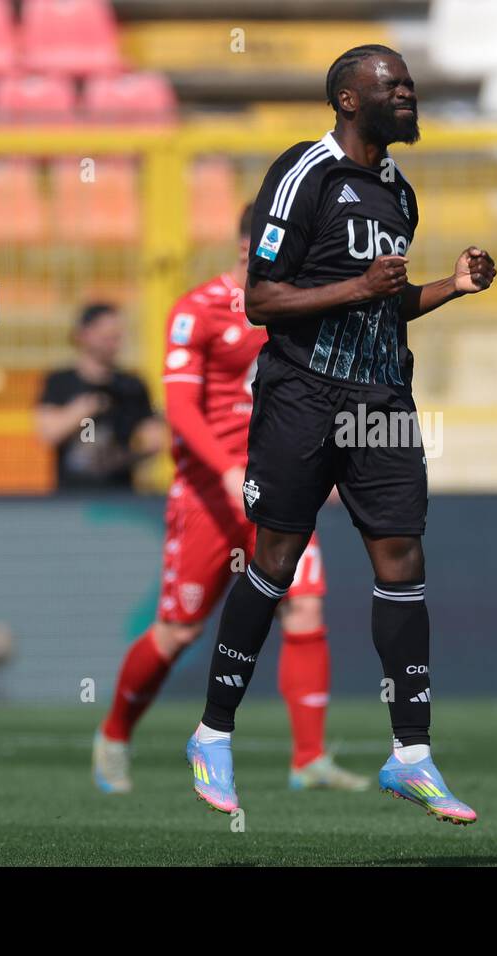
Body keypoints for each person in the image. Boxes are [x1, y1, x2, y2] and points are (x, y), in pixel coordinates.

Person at [184, 45, 497, 825]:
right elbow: (260, 300)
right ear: (349, 101)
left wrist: (449, 289)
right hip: (304, 395)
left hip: (382, 395)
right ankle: (212, 733)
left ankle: (411, 755)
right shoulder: (305, 173)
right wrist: (357, 285)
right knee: (277, 558)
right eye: (392, 85)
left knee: (402, 555)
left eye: (410, 84)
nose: (408, 94)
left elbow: (384, 307)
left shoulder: (400, 192)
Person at [92, 205, 368, 794]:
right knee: (178, 630)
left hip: (279, 491)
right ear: (247, 247)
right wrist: (221, 470)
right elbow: (182, 409)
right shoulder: (197, 311)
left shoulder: (307, 311)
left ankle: (309, 758)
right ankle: (114, 734)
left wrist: (335, 464)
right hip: (207, 497)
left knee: (305, 606)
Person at [36, 303, 164, 492]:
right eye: (106, 337)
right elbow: (47, 431)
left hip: (120, 494)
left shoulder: (132, 385)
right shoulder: (60, 381)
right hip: (70, 496)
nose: (113, 343)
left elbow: (154, 439)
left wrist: (122, 455)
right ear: (83, 334)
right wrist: (83, 410)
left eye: (116, 337)